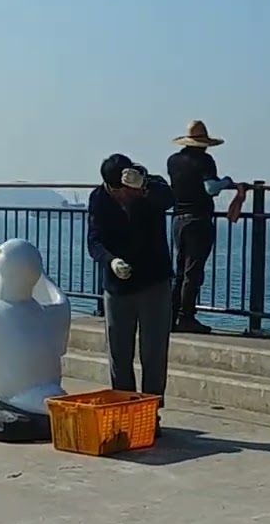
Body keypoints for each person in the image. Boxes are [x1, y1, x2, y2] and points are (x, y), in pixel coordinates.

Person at [86, 154, 175, 424]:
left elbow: (169, 199)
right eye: (116, 191)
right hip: (117, 287)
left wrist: (144, 186)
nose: (123, 196)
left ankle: (151, 412)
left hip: (154, 282)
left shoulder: (151, 188)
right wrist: (110, 261)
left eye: (125, 190)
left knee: (154, 350)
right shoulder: (99, 198)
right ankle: (126, 408)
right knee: (119, 351)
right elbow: (94, 240)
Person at [166, 120, 242, 334]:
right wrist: (227, 182)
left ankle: (170, 318)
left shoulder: (173, 161)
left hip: (178, 218)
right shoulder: (205, 161)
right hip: (198, 219)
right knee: (194, 271)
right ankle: (187, 317)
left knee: (180, 270)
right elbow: (210, 189)